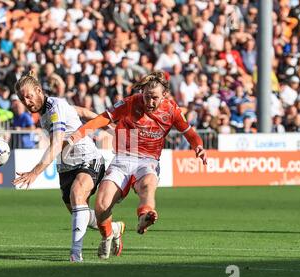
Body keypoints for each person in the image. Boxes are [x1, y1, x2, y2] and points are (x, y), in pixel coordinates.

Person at [64, 71, 208, 259]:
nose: (150, 102)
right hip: (123, 157)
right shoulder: (132, 102)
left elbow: (189, 132)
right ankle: (109, 234)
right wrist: (80, 133)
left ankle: (145, 216)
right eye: (147, 97)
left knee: (148, 186)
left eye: (154, 98)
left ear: (164, 95)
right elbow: (104, 118)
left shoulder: (172, 110)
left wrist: (198, 146)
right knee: (100, 206)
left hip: (148, 161)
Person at [12, 71, 125, 262]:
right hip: (66, 167)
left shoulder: (54, 107)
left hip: (88, 159)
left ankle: (75, 254)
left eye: (29, 96)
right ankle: (113, 228)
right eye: (23, 99)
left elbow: (56, 143)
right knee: (78, 211)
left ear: (39, 90)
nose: (27, 101)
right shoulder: (48, 111)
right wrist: (107, 126)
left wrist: (35, 172)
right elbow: (79, 112)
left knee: (77, 195)